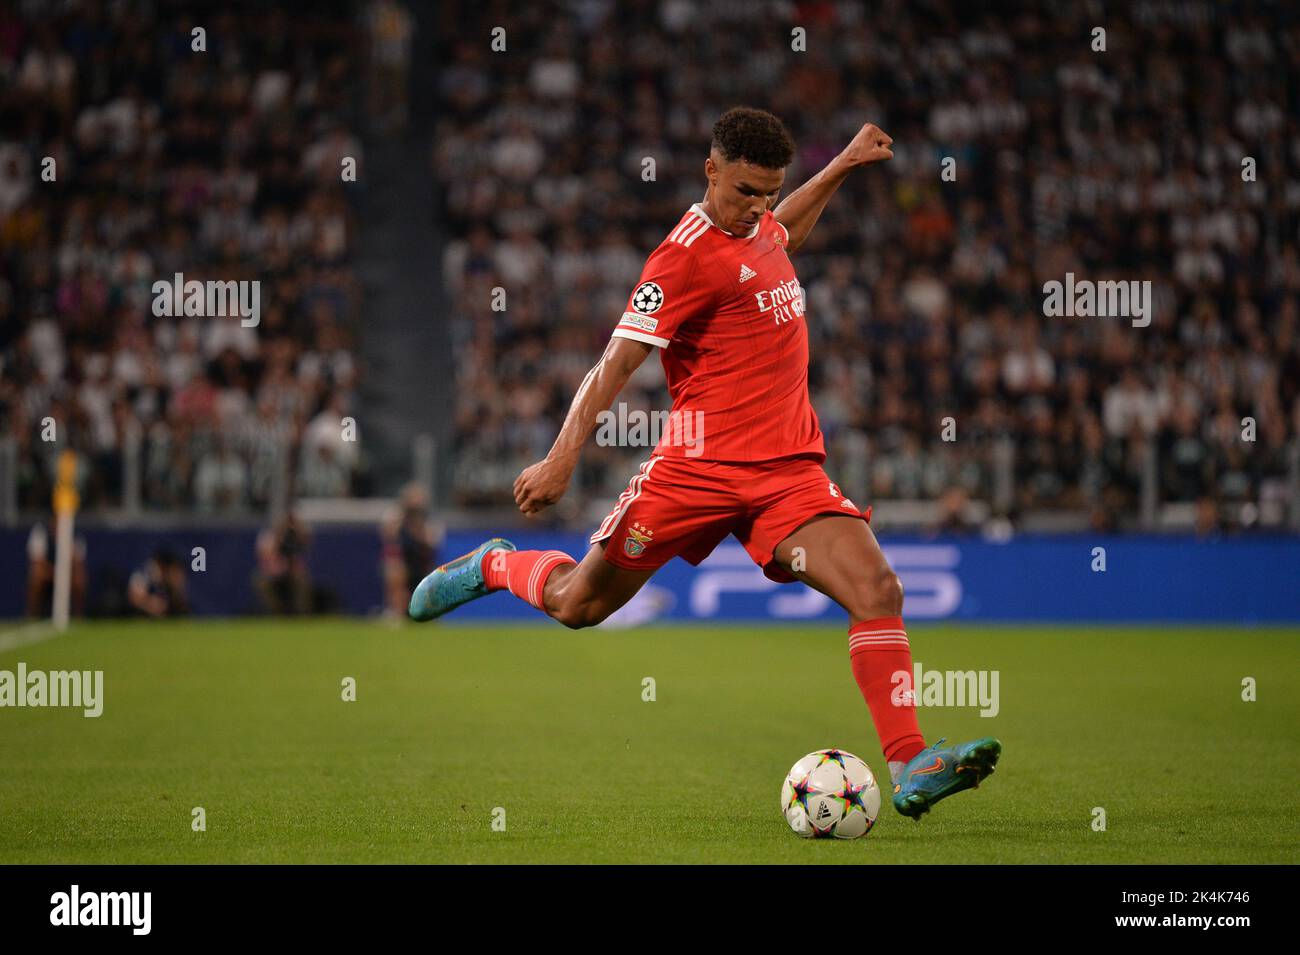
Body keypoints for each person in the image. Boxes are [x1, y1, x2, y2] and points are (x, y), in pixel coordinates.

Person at [410, 107, 1000, 821]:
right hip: (694, 472)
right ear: (710, 170)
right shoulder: (682, 257)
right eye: (746, 191)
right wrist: (561, 456)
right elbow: (613, 363)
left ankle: (910, 762)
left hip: (789, 471)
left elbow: (788, 231)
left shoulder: (762, 225)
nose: (758, 207)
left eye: (770, 191)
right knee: (577, 606)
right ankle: (496, 565)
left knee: (879, 587)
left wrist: (840, 165)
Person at [381, 483, 440, 619]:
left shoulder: (429, 519)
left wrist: (418, 531)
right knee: (394, 568)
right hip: (402, 561)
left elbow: (433, 542)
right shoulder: (396, 515)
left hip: (422, 562)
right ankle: (396, 611)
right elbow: (388, 536)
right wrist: (403, 520)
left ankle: (428, 613)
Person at [254, 511, 313, 614]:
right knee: (262, 582)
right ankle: (276, 612)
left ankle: (301, 614)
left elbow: (304, 544)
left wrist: (295, 527)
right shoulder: (268, 536)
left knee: (302, 580)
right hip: (272, 573)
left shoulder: (293, 534)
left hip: (291, 571)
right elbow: (265, 557)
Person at [127, 548, 189, 617]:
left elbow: (179, 600)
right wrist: (151, 604)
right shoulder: (146, 571)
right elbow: (135, 598)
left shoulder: (168, 578)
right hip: (138, 614)